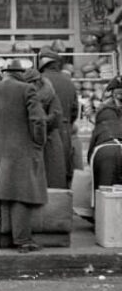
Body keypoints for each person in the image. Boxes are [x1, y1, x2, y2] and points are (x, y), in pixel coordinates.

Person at [0, 59, 48, 253]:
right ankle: (23, 240)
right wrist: (38, 142)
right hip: (19, 148)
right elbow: (38, 120)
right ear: (20, 73)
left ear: (4, 73)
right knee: (19, 194)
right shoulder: (27, 90)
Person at [37, 47, 78, 187]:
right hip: (65, 129)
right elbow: (74, 111)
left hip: (44, 129)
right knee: (63, 169)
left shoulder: (39, 81)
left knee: (44, 170)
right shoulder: (69, 83)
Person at [23, 66, 67, 188]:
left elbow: (56, 116)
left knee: (51, 176)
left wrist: (39, 121)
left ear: (37, 82)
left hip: (49, 140)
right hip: (31, 140)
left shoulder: (50, 95)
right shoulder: (25, 96)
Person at [87, 77, 122, 190]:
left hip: (105, 151)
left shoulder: (103, 111)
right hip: (110, 148)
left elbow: (95, 139)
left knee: (105, 195)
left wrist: (90, 158)